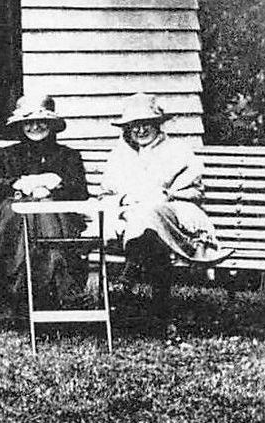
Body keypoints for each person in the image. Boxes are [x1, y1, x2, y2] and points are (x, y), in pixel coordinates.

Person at [99, 93, 233, 325]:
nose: (140, 131)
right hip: (132, 217)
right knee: (145, 222)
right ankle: (160, 306)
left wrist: (168, 195)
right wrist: (126, 199)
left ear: (157, 125)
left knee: (151, 215)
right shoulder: (120, 155)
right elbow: (107, 193)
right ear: (127, 129)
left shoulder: (177, 150)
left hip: (173, 213)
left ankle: (129, 278)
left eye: (146, 124)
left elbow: (194, 191)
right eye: (134, 126)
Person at [0, 95, 89, 309]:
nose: (35, 127)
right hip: (10, 228)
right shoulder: (5, 156)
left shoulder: (68, 156)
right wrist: (18, 184)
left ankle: (26, 295)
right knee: (25, 212)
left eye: (41, 121)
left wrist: (53, 186)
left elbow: (79, 193)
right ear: (20, 126)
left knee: (43, 211)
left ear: (52, 124)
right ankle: (39, 293)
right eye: (28, 122)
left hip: (58, 227)